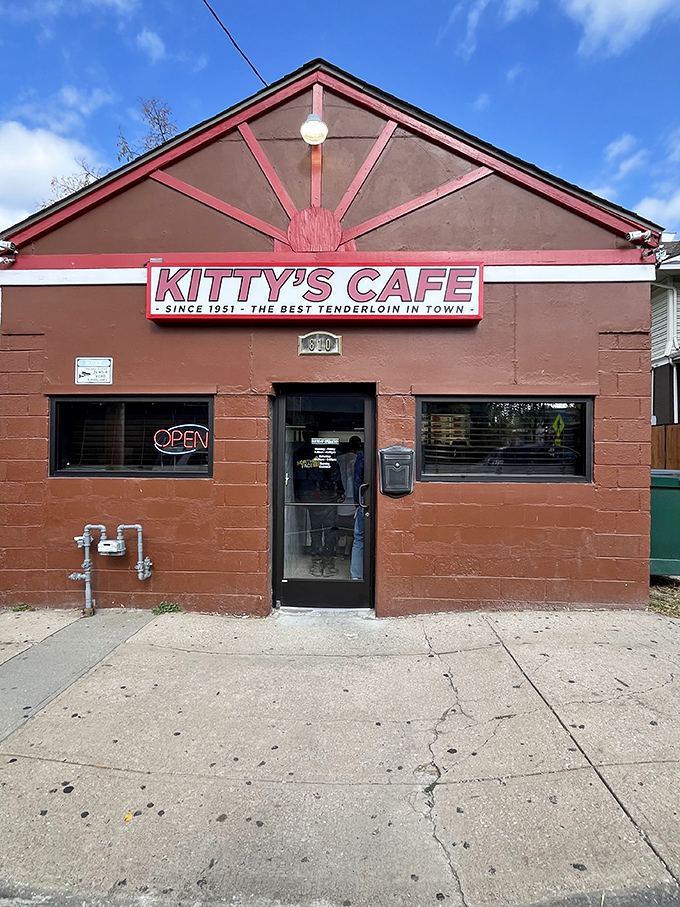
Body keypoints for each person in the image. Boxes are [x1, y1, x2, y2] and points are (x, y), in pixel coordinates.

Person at [293, 431, 345, 577]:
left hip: (310, 498)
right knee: (330, 532)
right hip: (328, 497)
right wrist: (340, 490)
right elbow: (335, 473)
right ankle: (328, 565)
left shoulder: (300, 453)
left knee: (315, 531)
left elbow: (298, 476)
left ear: (303, 436)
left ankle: (316, 564)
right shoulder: (325, 453)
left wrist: (299, 496)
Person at [350, 444, 364, 580]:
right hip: (382, 499)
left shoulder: (362, 454)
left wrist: (357, 503)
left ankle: (356, 575)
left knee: (359, 537)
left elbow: (357, 481)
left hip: (364, 499)